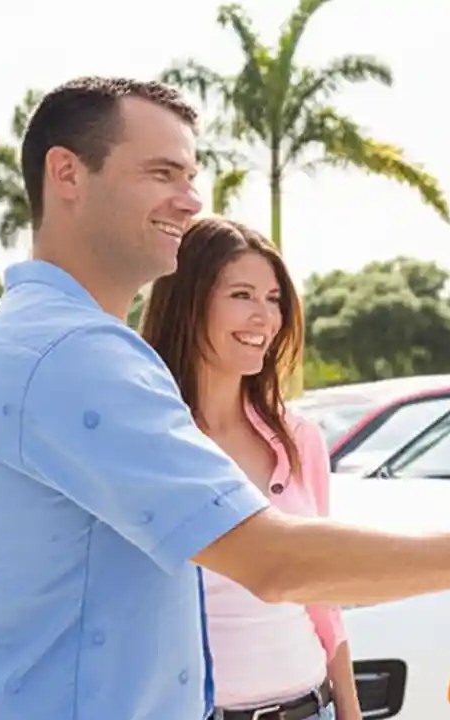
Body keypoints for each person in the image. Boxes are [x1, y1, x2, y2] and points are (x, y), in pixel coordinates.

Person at [0, 76, 450, 720]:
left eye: (190, 175)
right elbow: (276, 560)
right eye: (161, 172)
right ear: (67, 174)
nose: (190, 199)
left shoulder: (21, 338)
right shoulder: (74, 356)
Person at [139, 217, 359, 720]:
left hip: (311, 708)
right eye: (242, 295)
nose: (265, 317)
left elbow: (323, 592)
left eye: (274, 298)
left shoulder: (297, 437)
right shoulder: (149, 441)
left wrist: (348, 708)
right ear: (187, 302)